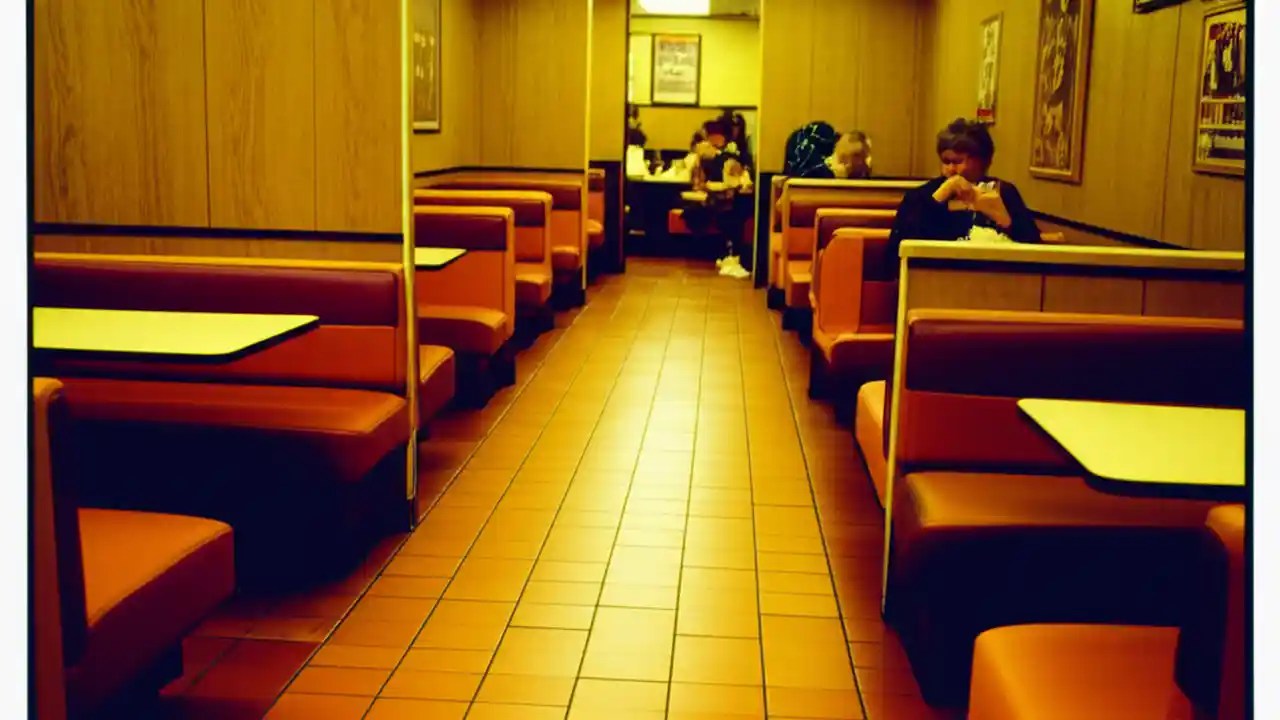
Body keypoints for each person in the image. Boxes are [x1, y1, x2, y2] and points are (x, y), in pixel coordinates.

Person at [889, 117, 1039, 264]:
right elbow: (895, 257)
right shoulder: (920, 197)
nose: (950, 169)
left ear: (984, 162)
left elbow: (1036, 252)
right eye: (946, 162)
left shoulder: (1004, 193)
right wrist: (937, 200)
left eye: (958, 161)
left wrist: (1007, 223)